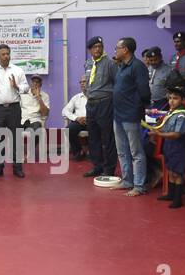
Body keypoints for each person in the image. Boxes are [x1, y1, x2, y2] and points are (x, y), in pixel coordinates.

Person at [112, 36, 153, 197]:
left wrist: (136, 106)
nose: (115, 50)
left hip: (131, 115)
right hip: (118, 115)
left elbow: (144, 92)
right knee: (122, 151)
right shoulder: (121, 66)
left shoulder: (138, 66)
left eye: (117, 48)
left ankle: (139, 185)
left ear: (125, 49)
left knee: (136, 152)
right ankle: (127, 180)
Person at [0, 44, 29, 178]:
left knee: (16, 139)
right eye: (3, 54)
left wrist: (17, 86)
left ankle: (17, 168)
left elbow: (26, 88)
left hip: (14, 108)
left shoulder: (18, 70)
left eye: (8, 54)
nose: (6, 56)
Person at [82, 36, 117, 178]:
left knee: (107, 137)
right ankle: (97, 166)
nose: (98, 49)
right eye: (95, 47)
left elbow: (117, 83)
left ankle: (109, 169)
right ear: (90, 50)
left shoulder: (110, 63)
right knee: (93, 137)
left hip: (105, 102)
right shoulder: (88, 63)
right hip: (91, 103)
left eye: (100, 46)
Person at [153, 82, 185, 209]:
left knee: (177, 173)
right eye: (170, 98)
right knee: (169, 170)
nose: (171, 101)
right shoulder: (171, 112)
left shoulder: (182, 114)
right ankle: (170, 193)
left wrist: (159, 134)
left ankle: (178, 199)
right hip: (169, 146)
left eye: (175, 98)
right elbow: (166, 127)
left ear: (183, 100)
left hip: (177, 147)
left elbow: (176, 134)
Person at [62, 76, 89, 160]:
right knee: (69, 129)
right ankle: (78, 151)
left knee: (98, 129)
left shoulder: (95, 96)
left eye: (84, 81)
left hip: (92, 121)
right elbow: (65, 111)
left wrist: (88, 118)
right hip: (79, 121)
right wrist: (76, 118)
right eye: (80, 82)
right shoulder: (76, 97)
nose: (82, 84)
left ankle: (92, 151)